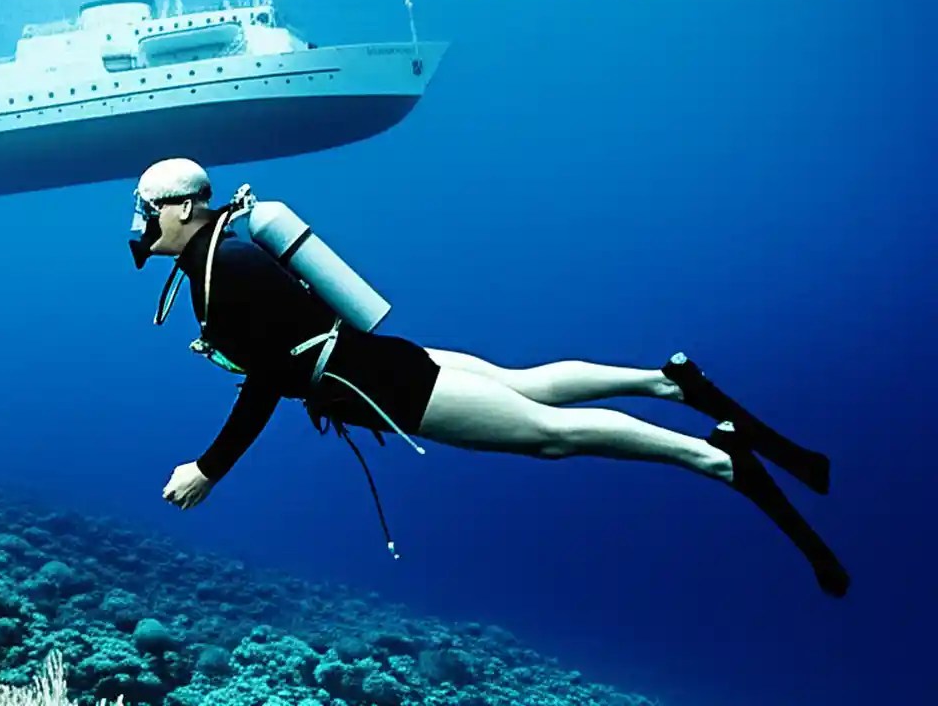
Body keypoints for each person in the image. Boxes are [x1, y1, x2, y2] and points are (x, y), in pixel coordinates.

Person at [127, 157, 849, 598]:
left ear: (184, 208)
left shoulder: (227, 269)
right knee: (527, 383)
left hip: (391, 387)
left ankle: (720, 458)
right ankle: (670, 383)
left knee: (549, 435)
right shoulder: (222, 255)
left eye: (147, 207)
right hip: (387, 365)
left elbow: (265, 380)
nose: (140, 221)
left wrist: (209, 468)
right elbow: (281, 356)